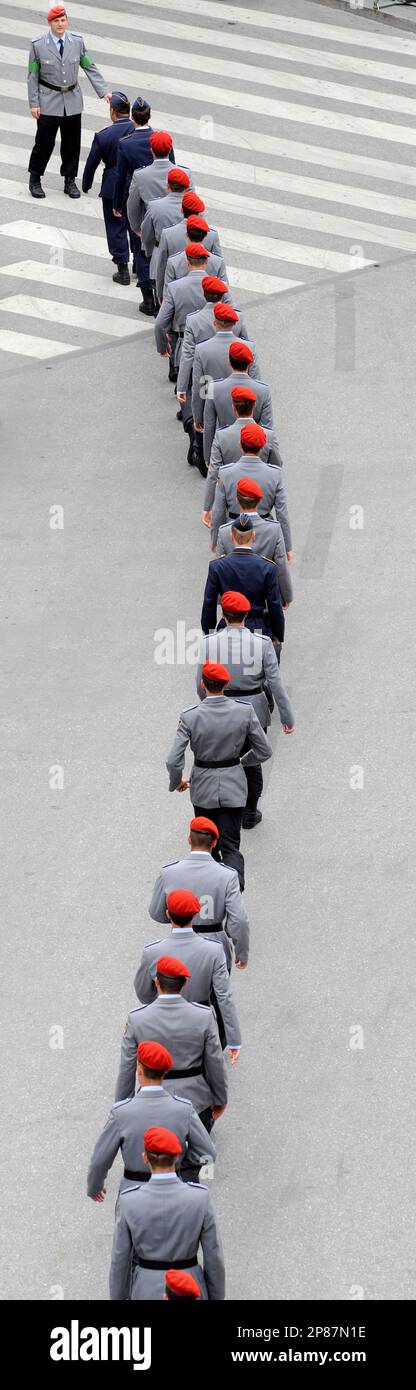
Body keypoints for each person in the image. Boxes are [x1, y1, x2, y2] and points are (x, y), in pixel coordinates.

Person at [165, 661, 272, 889]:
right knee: (231, 846)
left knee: (207, 848)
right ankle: (235, 892)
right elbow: (264, 750)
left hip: (203, 788)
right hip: (233, 785)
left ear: (203, 684)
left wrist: (177, 782)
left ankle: (212, 895)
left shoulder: (190, 716)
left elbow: (173, 760)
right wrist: (241, 763)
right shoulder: (244, 711)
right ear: (226, 684)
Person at [197, 591, 295, 828]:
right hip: (254, 708)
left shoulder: (209, 643)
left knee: (221, 756)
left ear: (223, 614)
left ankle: (223, 805)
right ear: (247, 615)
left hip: (219, 705)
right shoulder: (261, 644)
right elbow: (275, 682)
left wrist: (206, 705)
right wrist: (286, 715)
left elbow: (200, 682)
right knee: (252, 759)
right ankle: (250, 811)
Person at [109, 1127, 225, 1301]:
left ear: (145, 1158)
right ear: (177, 1157)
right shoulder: (199, 1198)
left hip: (145, 1288)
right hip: (189, 1285)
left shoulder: (129, 1200)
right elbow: (213, 1255)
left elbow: (120, 1259)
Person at [115, 956, 228, 1133]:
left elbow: (127, 1066)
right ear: (184, 984)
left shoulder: (137, 1019)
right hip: (196, 1100)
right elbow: (215, 1061)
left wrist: (122, 1107)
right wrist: (220, 1098)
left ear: (156, 982)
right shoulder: (203, 1016)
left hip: (151, 1103)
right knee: (198, 1156)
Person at [87, 1041, 215, 1197]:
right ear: (165, 1072)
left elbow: (99, 1160)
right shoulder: (184, 1109)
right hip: (174, 1192)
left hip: (133, 1194)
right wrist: (179, 1161)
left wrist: (94, 1188)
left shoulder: (121, 1112)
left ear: (139, 1070)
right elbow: (208, 1153)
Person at [134, 889, 241, 1056]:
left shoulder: (152, 952)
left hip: (164, 1019)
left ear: (168, 914)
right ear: (195, 914)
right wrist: (234, 1040)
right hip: (201, 1019)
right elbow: (224, 997)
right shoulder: (213, 950)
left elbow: (143, 992)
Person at [27, 5, 111, 199]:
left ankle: (69, 180)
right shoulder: (38, 45)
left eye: (63, 20)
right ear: (50, 23)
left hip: (72, 100)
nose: (60, 24)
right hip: (48, 100)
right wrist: (34, 102)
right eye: (56, 21)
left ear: (67, 21)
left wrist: (103, 91)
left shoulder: (77, 42)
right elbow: (32, 75)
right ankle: (35, 178)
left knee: (72, 144)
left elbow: (89, 66)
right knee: (44, 143)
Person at [148, 815, 250, 970]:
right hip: (215, 945)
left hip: (179, 945)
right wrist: (241, 952)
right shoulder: (228, 875)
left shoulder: (168, 872)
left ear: (189, 839)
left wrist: (177, 917)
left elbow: (156, 912)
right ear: (215, 843)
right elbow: (239, 920)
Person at [202, 383, 284, 526]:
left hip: (233, 510)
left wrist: (207, 506)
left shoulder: (222, 436)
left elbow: (213, 473)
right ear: (254, 406)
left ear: (234, 408)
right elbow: (277, 465)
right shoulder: (268, 435)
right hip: (262, 510)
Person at [201, 516, 285, 647]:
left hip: (227, 626)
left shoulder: (217, 567)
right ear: (253, 535)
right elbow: (274, 605)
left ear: (231, 535)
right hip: (258, 627)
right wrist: (278, 634)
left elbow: (209, 604)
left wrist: (209, 633)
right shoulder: (267, 567)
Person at [210, 424, 292, 554]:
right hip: (267, 534)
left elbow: (218, 511)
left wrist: (215, 541)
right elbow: (282, 513)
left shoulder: (226, 473)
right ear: (262, 446)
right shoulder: (274, 474)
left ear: (240, 444)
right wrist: (287, 546)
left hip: (234, 533)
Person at [81, 92, 134, 284]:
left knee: (115, 226)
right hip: (136, 185)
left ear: (113, 111)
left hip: (113, 185)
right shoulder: (138, 130)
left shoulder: (104, 136)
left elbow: (91, 163)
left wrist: (86, 184)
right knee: (136, 225)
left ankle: (123, 269)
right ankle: (139, 264)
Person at [215, 479, 293, 606]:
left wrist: (221, 600)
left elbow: (220, 568)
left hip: (235, 601)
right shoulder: (273, 529)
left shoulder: (224, 531)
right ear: (259, 501)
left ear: (237, 500)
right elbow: (281, 564)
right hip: (264, 600)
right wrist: (286, 596)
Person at [124, 129, 176, 314]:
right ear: (170, 150)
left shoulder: (141, 175)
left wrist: (136, 227)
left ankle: (152, 301)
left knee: (149, 261)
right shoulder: (183, 172)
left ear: (152, 151)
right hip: (178, 228)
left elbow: (132, 205)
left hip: (152, 226)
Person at [203, 343, 273, 465]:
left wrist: (208, 455)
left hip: (225, 448)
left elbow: (209, 425)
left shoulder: (213, 388)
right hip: (255, 452)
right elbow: (267, 427)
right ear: (249, 363)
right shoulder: (263, 390)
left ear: (229, 362)